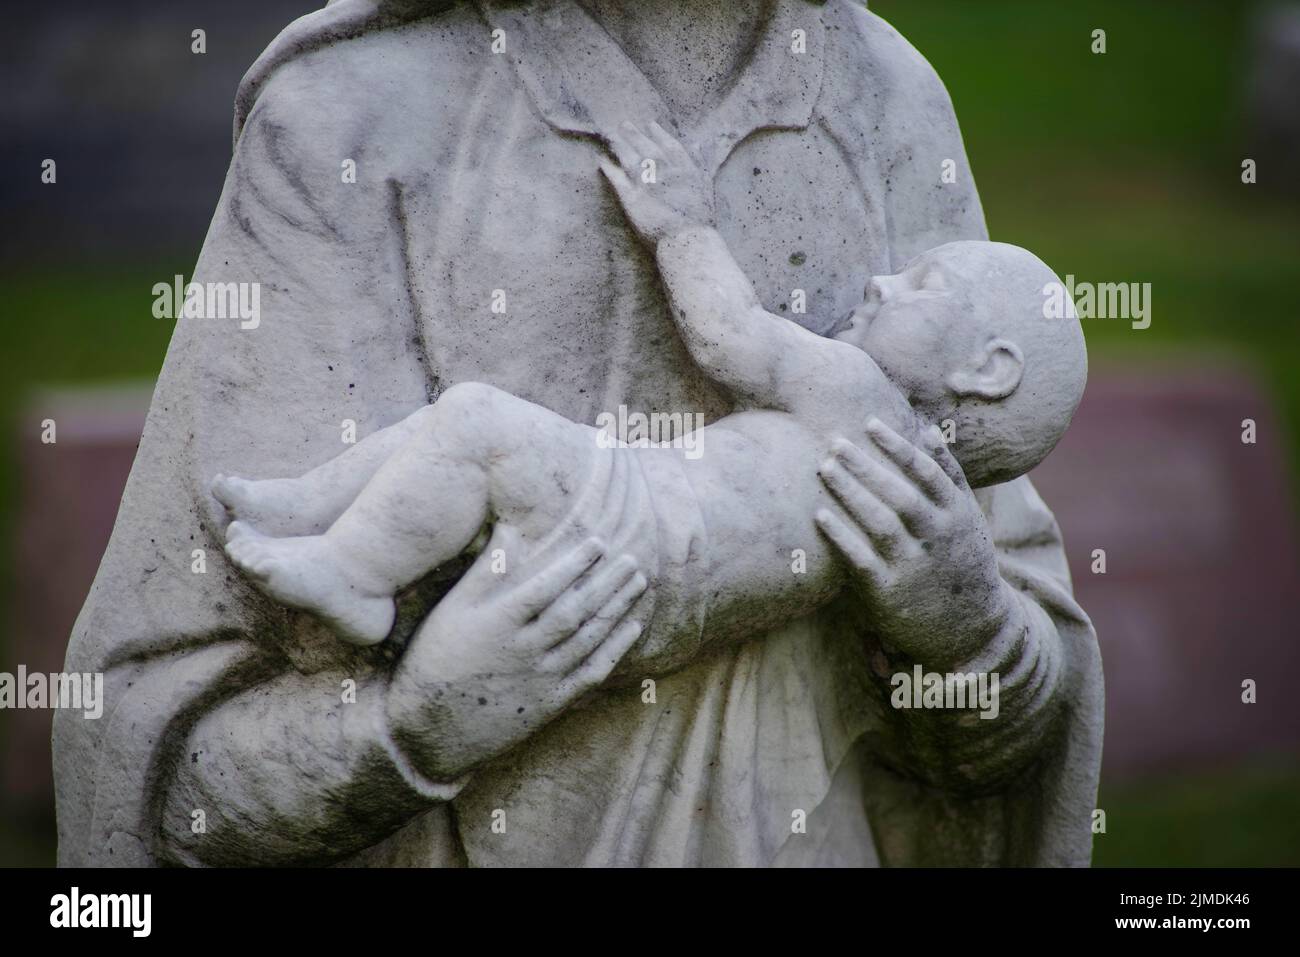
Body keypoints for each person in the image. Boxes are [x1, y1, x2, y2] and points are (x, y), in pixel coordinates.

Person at [55, 0, 1102, 867]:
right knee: (467, 448)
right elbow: (159, 773)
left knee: (475, 445)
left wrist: (962, 629)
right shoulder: (351, 113)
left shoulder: (886, 98)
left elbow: (1007, 720)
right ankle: (343, 544)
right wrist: (416, 731)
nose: (886, 287)